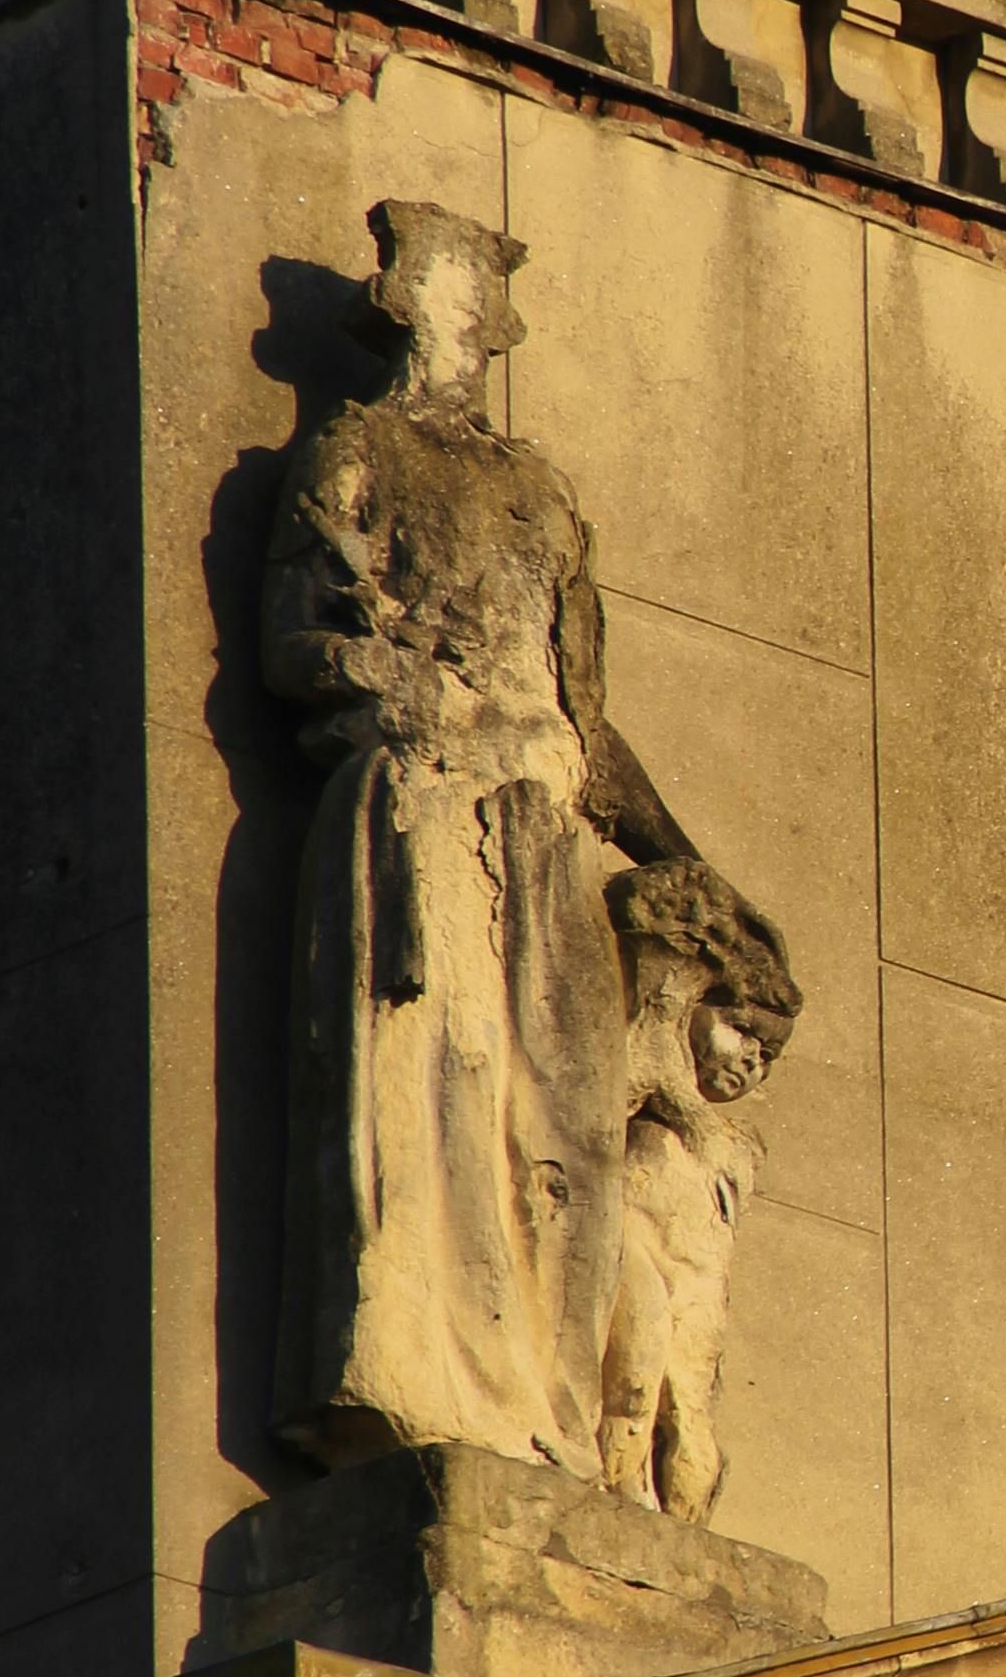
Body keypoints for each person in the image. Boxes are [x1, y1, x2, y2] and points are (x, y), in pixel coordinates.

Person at [263, 199, 691, 1475]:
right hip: (431, 805)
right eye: (442, 280)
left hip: (547, 827)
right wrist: (398, 687)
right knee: (439, 1084)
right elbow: (298, 643)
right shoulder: (356, 449)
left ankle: (555, 1421)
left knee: (565, 1113)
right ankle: (426, 1393)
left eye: (469, 286)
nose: (460, 306)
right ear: (405, 301)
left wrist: (678, 856)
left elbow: (588, 722)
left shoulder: (539, 495)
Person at [602, 860, 801, 1524]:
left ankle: (671, 1530)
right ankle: (620, 1503)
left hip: (697, 1286)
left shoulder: (738, 1145)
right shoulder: (643, 1075)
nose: (751, 1059)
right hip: (634, 1255)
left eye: (767, 1056)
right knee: (630, 1387)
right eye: (742, 1032)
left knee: (693, 1433)